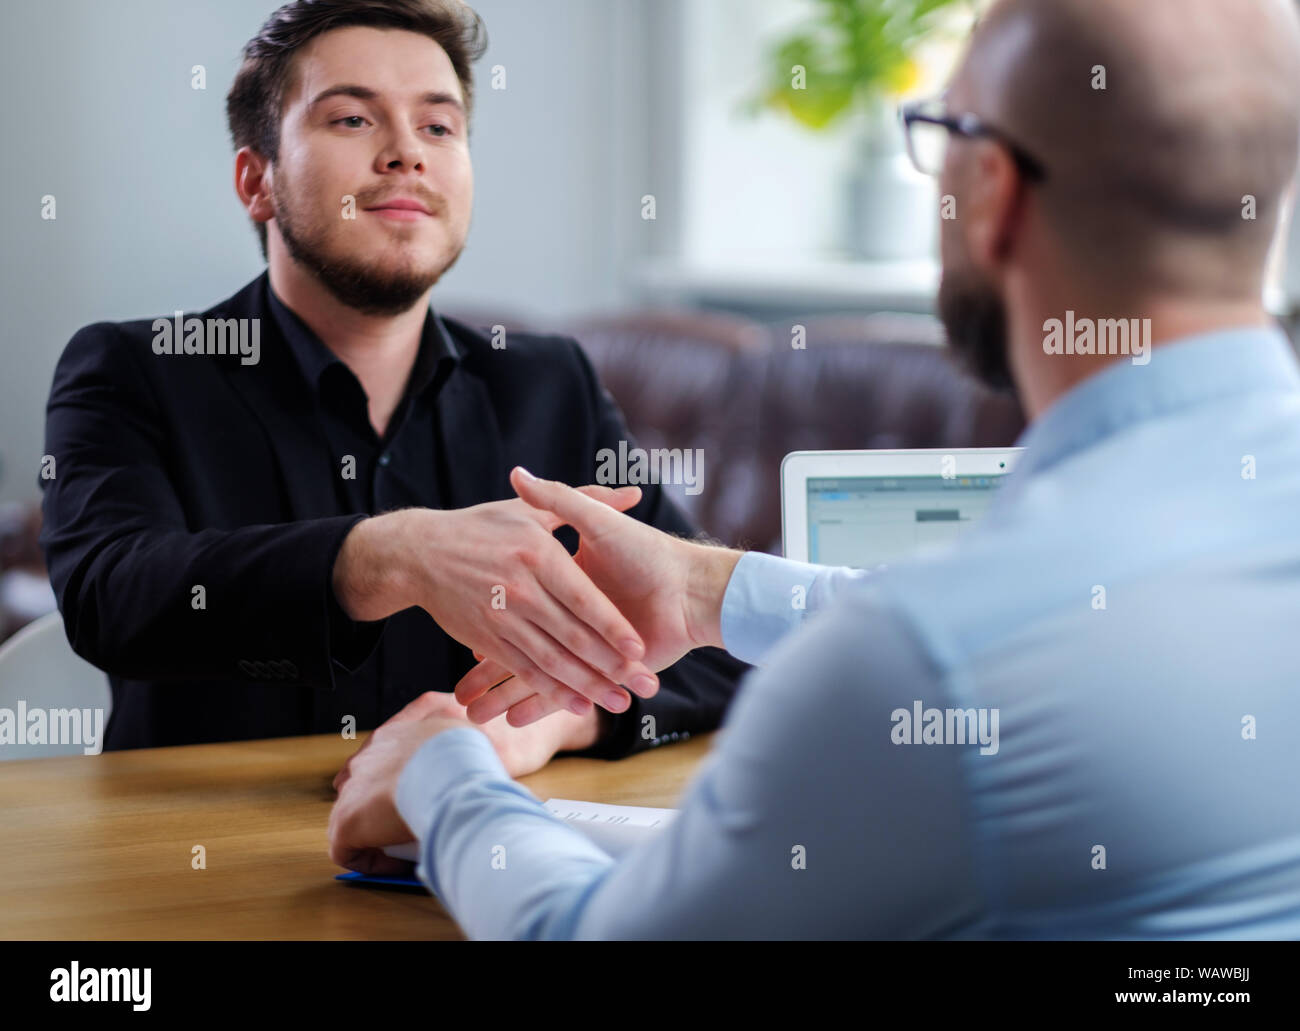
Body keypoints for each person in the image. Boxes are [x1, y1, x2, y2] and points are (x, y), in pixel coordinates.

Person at [329, 0, 1300, 938]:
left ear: (994, 191)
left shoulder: (922, 661)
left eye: (940, 129)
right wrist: (713, 586)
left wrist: (446, 776)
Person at [38, 0, 747, 770]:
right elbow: (113, 599)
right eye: (351, 119)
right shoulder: (134, 370)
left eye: (439, 127)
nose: (407, 152)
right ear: (257, 181)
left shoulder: (550, 385)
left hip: (476, 858)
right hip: (200, 862)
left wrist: (545, 725)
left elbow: (716, 645)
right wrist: (391, 554)